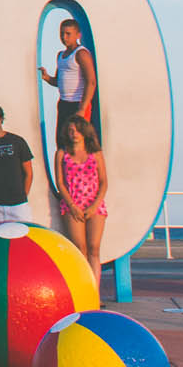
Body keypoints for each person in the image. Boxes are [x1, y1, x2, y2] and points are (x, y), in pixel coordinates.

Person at [54, 115, 109, 273]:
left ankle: (94, 291)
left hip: (94, 203)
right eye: (71, 130)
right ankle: (83, 287)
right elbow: (60, 182)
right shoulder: (61, 154)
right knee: (80, 247)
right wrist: (72, 205)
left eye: (78, 130)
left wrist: (95, 205)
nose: (74, 134)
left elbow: (104, 181)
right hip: (72, 203)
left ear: (84, 132)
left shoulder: (96, 154)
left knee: (94, 248)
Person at [41, 19, 101, 143]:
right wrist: (47, 78)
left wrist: (82, 108)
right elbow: (59, 81)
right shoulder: (60, 55)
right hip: (64, 103)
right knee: (63, 141)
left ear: (78, 35)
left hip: (78, 103)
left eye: (68, 34)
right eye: (62, 33)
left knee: (79, 141)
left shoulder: (81, 54)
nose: (64, 37)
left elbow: (91, 81)